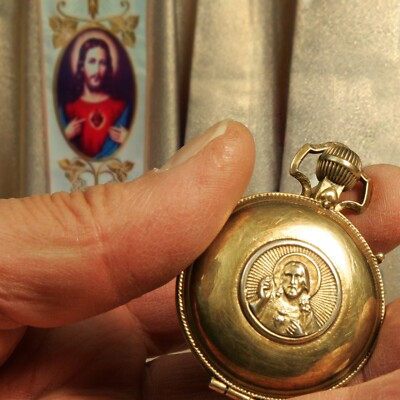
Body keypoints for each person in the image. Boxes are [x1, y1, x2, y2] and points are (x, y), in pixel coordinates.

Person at [0, 121, 399, 399]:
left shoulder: (309, 313)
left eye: (301, 278)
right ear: (277, 277)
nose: (295, 283)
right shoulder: (263, 299)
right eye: (290, 275)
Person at [64, 37, 129, 159]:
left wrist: (128, 140)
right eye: (92, 61)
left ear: (107, 67)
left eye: (102, 63)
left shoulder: (120, 107)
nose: (97, 70)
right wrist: (65, 135)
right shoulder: (69, 108)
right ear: (82, 66)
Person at [250, 260, 318, 337]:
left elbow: (316, 339)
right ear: (281, 279)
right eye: (288, 275)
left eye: (297, 276)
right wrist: (261, 300)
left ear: (305, 282)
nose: (292, 282)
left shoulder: (306, 314)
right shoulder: (269, 302)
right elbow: (252, 317)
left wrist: (300, 335)